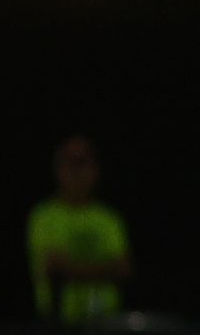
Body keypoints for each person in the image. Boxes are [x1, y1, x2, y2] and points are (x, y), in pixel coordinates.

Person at [26, 136, 130, 324]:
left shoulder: (109, 218)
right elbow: (54, 269)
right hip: (59, 325)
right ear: (57, 169)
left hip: (107, 324)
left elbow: (123, 269)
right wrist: (103, 270)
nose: (77, 171)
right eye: (70, 163)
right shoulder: (43, 216)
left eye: (83, 162)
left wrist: (72, 270)